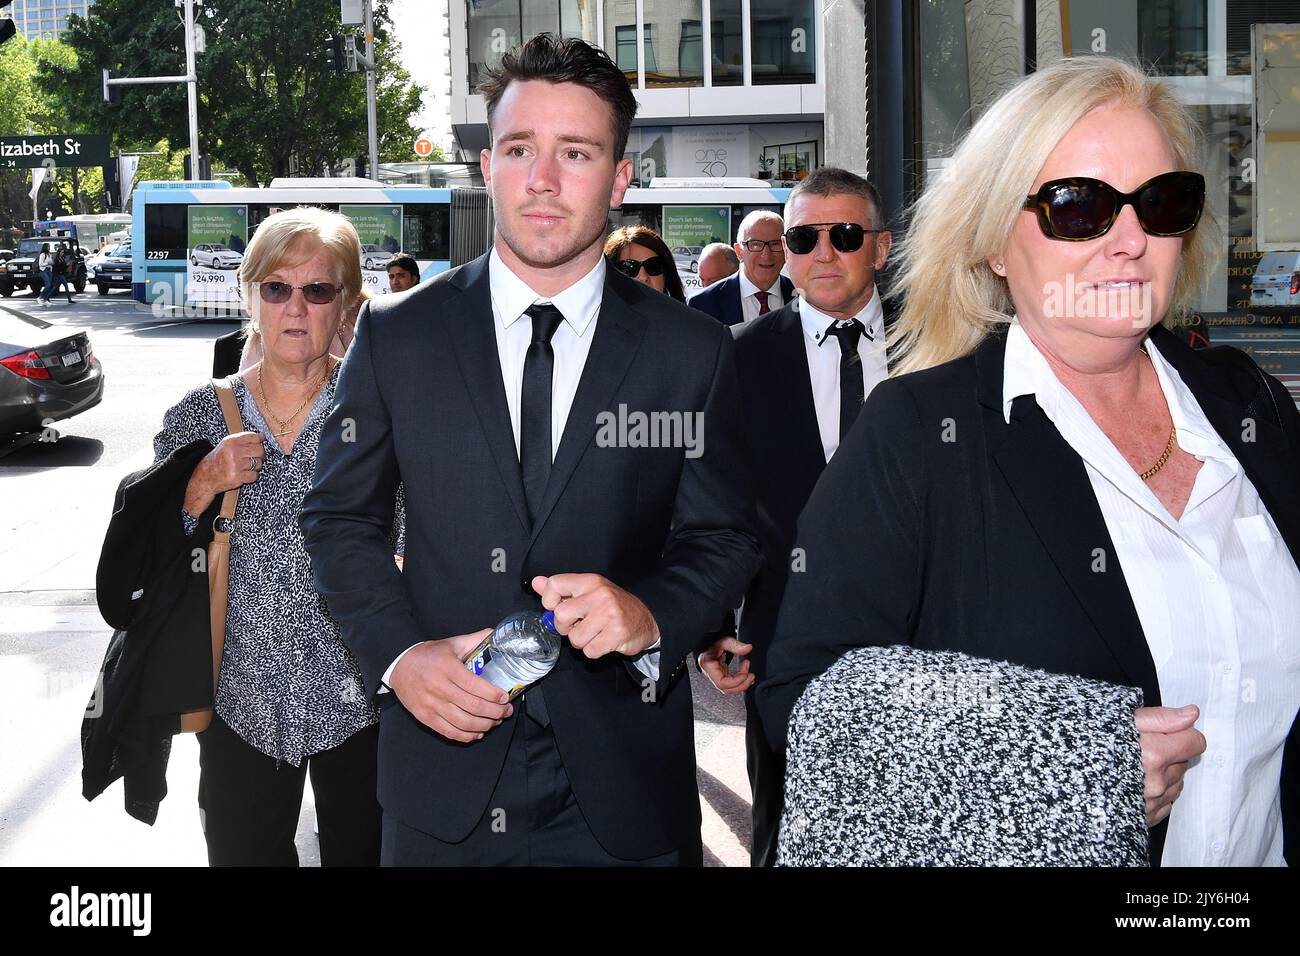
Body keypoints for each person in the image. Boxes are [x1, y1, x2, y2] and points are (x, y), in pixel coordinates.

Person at [757, 56, 1300, 867]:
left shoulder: (1244, 400)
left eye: (1161, 203)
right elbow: (804, 700)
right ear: (995, 245)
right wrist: (1061, 765)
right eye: (1080, 206)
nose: (1130, 241)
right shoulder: (917, 434)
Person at [301, 33, 759, 867]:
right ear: (487, 167)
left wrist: (652, 613)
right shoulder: (399, 337)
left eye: (575, 152)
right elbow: (339, 519)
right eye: (519, 149)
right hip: (444, 770)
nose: (542, 179)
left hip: (626, 785)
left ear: (620, 178)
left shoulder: (690, 350)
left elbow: (724, 535)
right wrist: (401, 657)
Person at [154, 207, 390, 866]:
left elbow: (422, 540)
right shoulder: (201, 413)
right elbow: (146, 549)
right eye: (277, 287)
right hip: (239, 700)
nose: (296, 307)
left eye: (318, 289)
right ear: (251, 296)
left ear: (347, 305)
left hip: (363, 702)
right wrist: (201, 482)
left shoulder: (380, 409)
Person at [698, 166, 893, 867]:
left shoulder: (939, 342)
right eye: (804, 238)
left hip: (925, 638)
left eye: (846, 236)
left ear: (881, 247)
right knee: (784, 833)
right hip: (784, 640)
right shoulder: (739, 357)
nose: (823, 253)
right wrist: (711, 628)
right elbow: (712, 504)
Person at [690, 210, 794, 326]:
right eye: (755, 244)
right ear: (739, 251)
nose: (766, 255)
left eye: (775, 244)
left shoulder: (803, 297)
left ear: (786, 249)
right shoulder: (702, 304)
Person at [603, 225, 686, 302]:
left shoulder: (684, 313)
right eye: (629, 268)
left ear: (666, 275)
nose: (643, 277)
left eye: (652, 266)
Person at [35, 243, 54, 307]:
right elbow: (40, 264)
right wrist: (47, 263)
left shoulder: (49, 254)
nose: (49, 248)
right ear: (45, 247)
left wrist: (51, 263)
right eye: (48, 247)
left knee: (50, 285)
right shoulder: (43, 254)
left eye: (49, 246)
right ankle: (40, 297)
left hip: (49, 270)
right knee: (47, 285)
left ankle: (45, 299)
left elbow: (50, 262)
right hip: (43, 270)